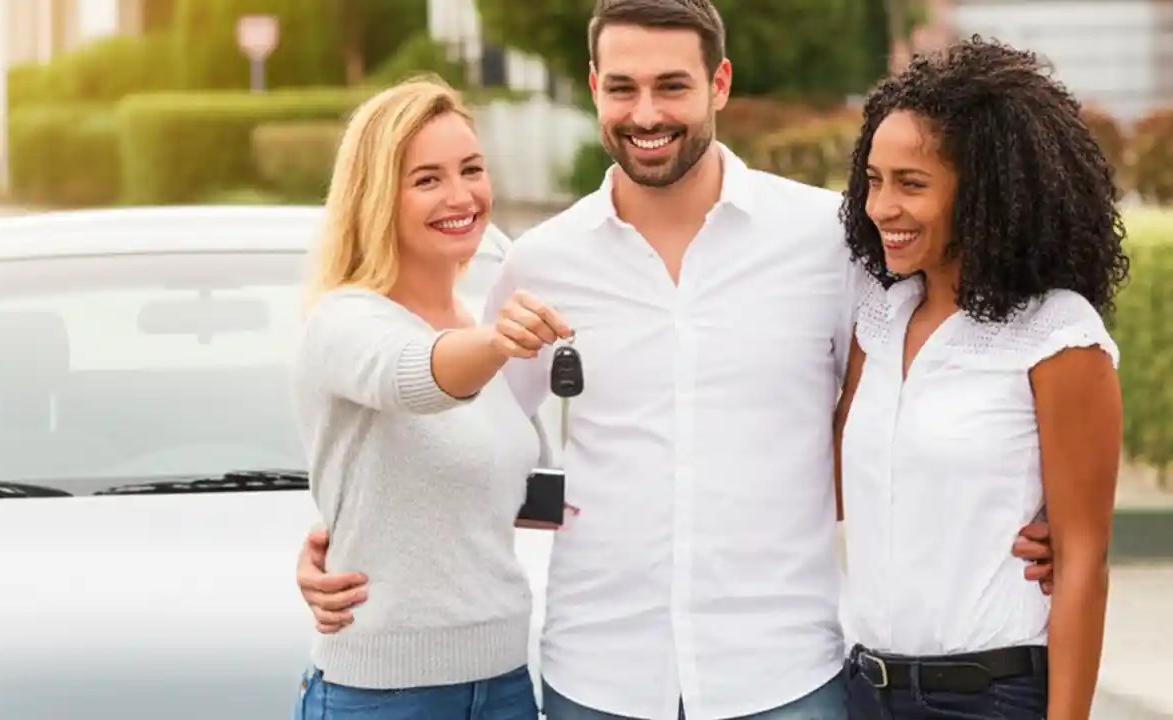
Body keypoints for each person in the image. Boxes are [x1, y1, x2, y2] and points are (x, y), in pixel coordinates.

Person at [295, 2, 1057, 718]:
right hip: (597, 679)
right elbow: (477, 436)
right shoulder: (541, 263)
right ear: (595, 88)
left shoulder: (827, 242)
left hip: (788, 673)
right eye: (622, 87)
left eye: (672, 86)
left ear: (719, 83)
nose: (647, 113)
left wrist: (1036, 502)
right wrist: (357, 536)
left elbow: (943, 370)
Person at [834, 37, 1127, 718]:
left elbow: (1083, 565)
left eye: (912, 184)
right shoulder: (878, 318)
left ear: (988, 195)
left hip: (989, 697)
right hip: (863, 691)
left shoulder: (1058, 335)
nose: (881, 208)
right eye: (873, 180)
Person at [289, 75, 572, 720]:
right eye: (427, 179)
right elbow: (412, 378)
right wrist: (500, 342)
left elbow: (518, 499)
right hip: (382, 697)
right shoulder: (342, 321)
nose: (461, 195)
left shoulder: (479, 326)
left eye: (471, 169)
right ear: (376, 198)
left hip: (503, 685)